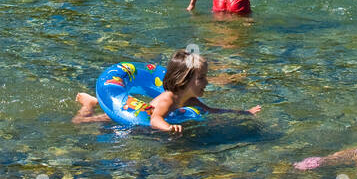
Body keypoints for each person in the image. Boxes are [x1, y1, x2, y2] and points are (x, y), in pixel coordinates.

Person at [73, 49, 261, 134]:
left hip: (139, 115)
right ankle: (88, 103)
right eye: (202, 78)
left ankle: (91, 104)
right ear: (183, 81)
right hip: (133, 116)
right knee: (80, 123)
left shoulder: (191, 101)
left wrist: (245, 112)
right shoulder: (168, 99)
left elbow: (212, 111)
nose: (207, 81)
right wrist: (168, 127)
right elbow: (155, 119)